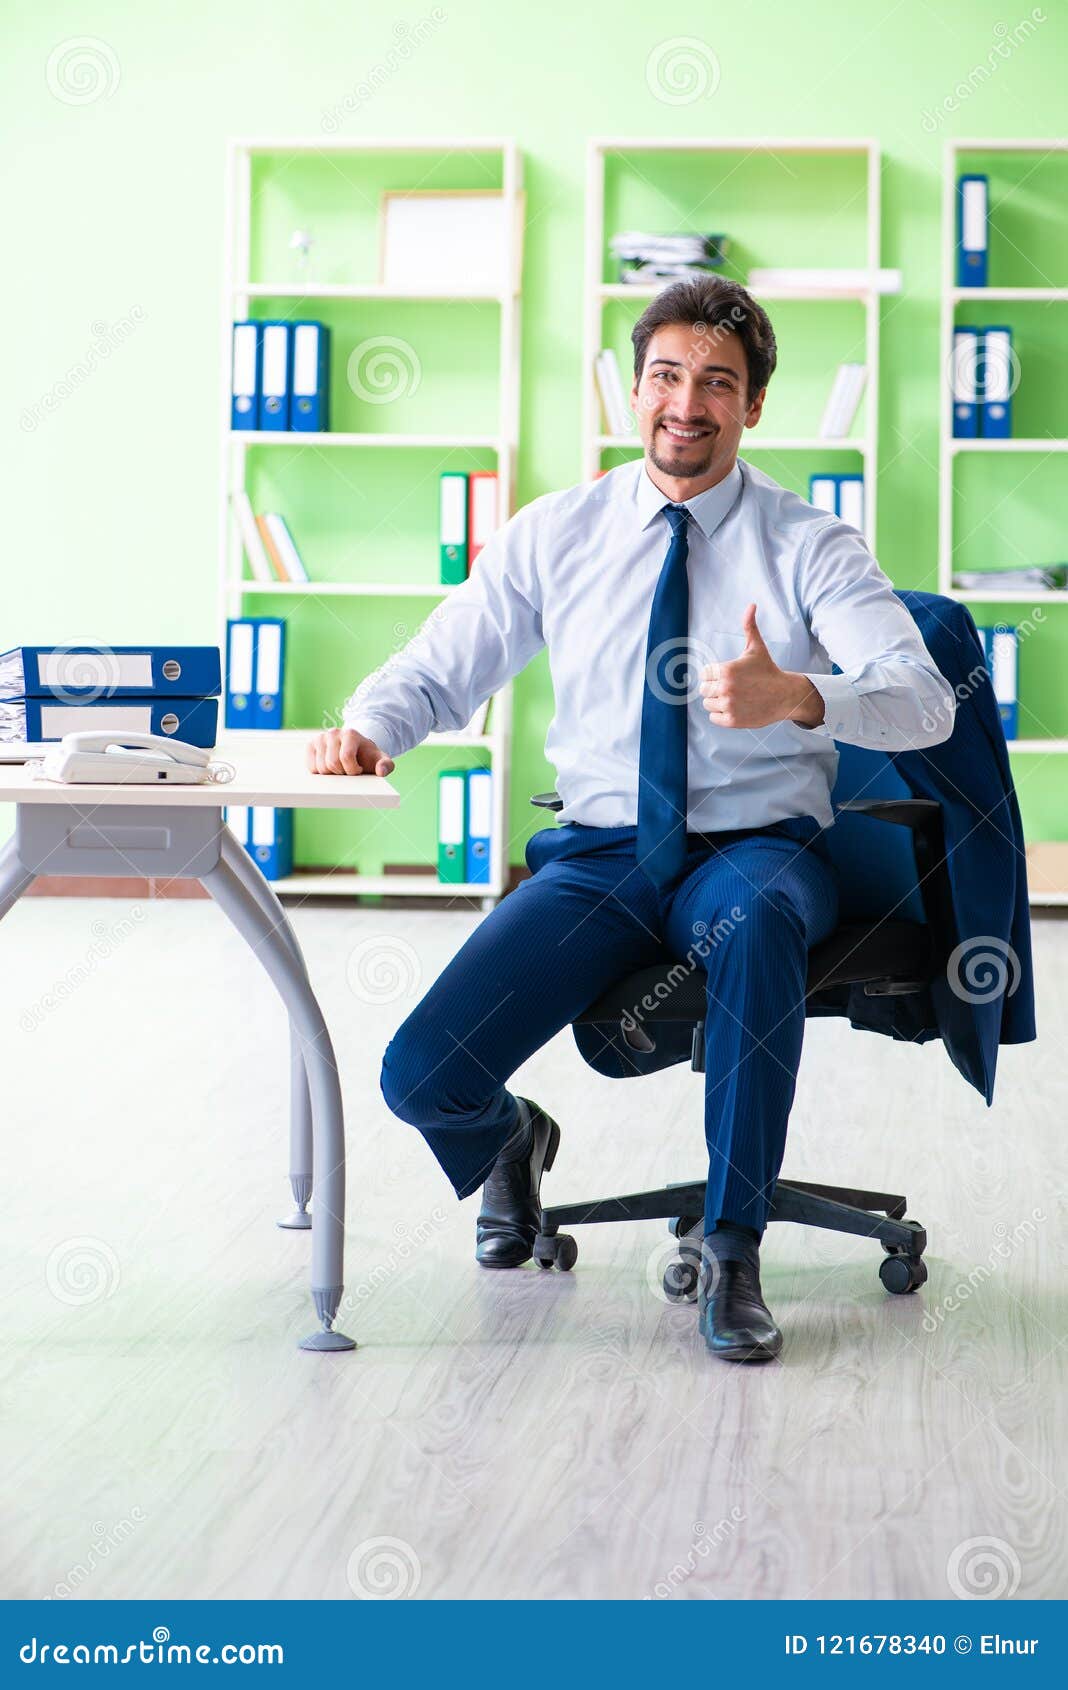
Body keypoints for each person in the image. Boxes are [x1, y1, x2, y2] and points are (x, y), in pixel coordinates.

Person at [307, 276, 956, 1364]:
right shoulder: (558, 531)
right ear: (633, 387)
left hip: (755, 851)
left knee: (751, 921)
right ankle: (512, 1139)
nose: (686, 404)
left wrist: (801, 694)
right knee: (422, 1073)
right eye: (666, 375)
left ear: (753, 406)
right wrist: (372, 723)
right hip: (605, 852)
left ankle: (736, 1249)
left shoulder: (809, 545)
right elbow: (443, 660)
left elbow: (925, 699)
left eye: (718, 383)